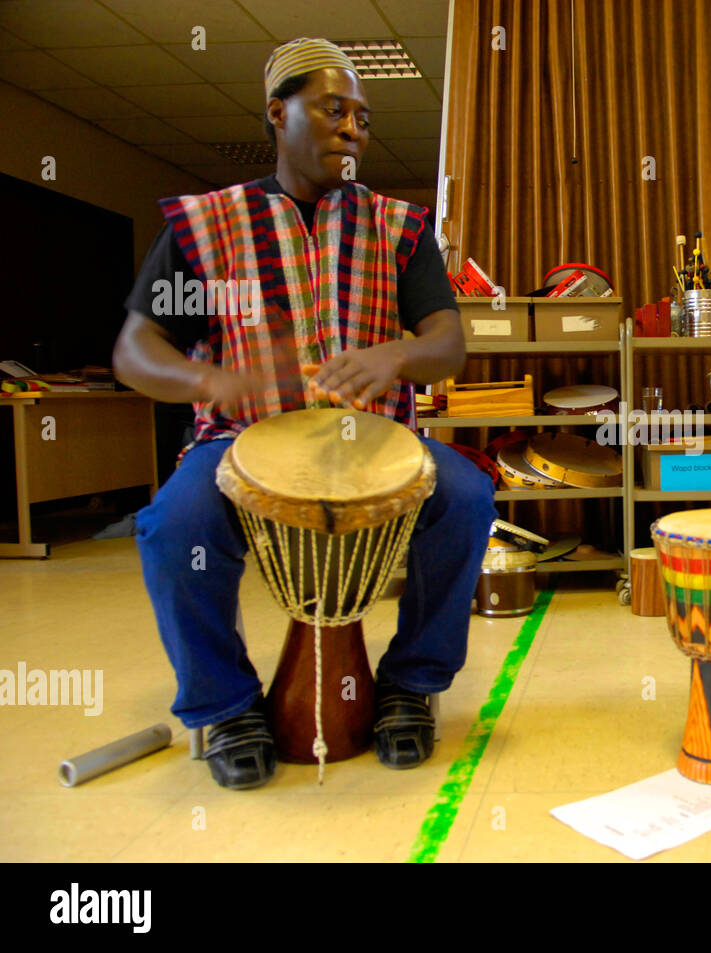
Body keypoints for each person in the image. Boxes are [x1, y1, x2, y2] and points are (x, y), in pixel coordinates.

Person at [113, 38, 496, 790]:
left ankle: (413, 684)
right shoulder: (208, 226)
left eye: (362, 114)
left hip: (376, 441)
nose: (353, 127)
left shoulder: (398, 228)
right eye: (332, 108)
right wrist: (209, 377)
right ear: (277, 112)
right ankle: (226, 704)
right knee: (171, 528)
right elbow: (135, 349)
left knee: (467, 495)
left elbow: (447, 343)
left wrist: (395, 356)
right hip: (239, 441)